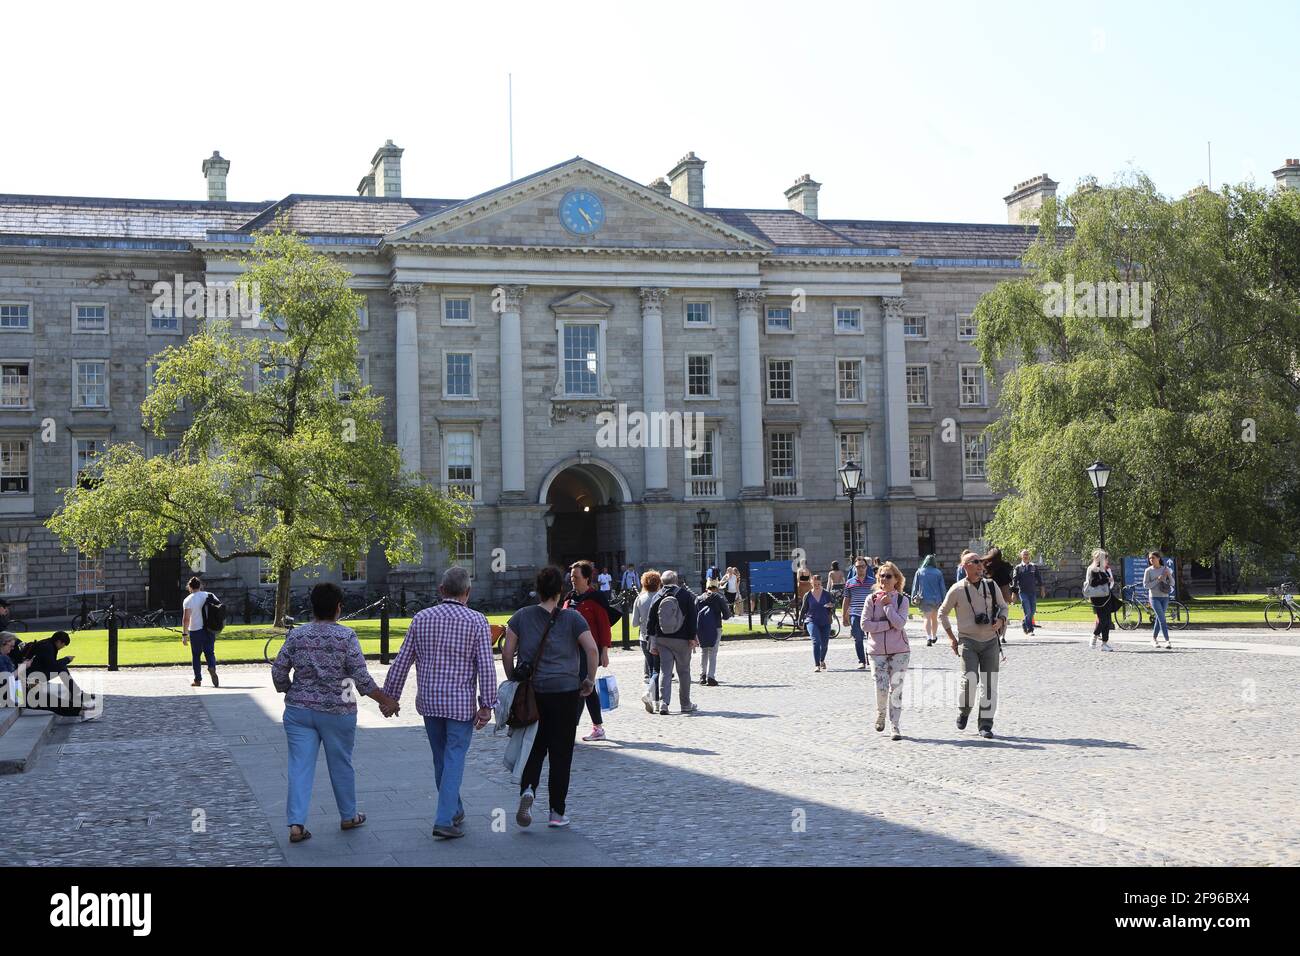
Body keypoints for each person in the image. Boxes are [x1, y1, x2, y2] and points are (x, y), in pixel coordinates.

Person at [271, 581, 399, 844]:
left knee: (299, 766)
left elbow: (278, 670)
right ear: (338, 608)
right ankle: (349, 815)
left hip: (299, 710)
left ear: (313, 607)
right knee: (341, 764)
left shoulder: (296, 635)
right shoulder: (346, 636)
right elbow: (361, 678)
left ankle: (296, 824)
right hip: (338, 710)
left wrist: (288, 689)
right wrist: (386, 700)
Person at [382, 567, 496, 840]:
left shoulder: (421, 618)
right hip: (459, 703)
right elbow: (486, 667)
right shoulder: (477, 621)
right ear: (467, 593)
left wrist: (390, 697)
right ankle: (445, 818)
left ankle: (454, 809)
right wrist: (487, 704)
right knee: (454, 758)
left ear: (441, 590)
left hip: (431, 701)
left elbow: (402, 661)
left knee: (441, 759)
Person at [503, 565, 598, 829]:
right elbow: (591, 649)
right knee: (561, 753)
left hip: (534, 691)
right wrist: (589, 679)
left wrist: (514, 679)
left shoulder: (521, 616)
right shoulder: (573, 618)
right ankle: (556, 812)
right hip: (566, 692)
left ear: (538, 589)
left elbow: (508, 651)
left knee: (534, 747)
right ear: (560, 590)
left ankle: (528, 791)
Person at [939, 551, 1009, 738]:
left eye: (981, 562)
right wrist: (951, 638)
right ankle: (964, 711)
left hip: (990, 641)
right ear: (965, 567)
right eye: (975, 562)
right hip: (968, 641)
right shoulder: (957, 589)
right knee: (969, 681)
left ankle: (985, 725)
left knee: (989, 684)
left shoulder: (991, 586)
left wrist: (1001, 620)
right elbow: (942, 613)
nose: (980, 565)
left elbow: (1004, 606)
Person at [564, 561, 615, 741]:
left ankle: (570, 728)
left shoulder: (596, 598)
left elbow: (604, 626)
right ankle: (598, 727)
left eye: (576, 577)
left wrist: (604, 651)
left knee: (579, 687)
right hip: (569, 651)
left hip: (588, 650)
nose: (573, 580)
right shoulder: (569, 598)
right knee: (587, 686)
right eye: (571, 577)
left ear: (586, 578)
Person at [862, 561, 911, 740]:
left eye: (888, 576)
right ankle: (881, 713)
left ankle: (895, 726)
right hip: (876, 651)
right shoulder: (871, 599)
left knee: (896, 689)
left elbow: (899, 624)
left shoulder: (902, 600)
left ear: (896, 579)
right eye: (881, 575)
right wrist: (886, 624)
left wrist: (889, 606)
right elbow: (864, 624)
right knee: (881, 687)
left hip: (899, 650)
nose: (884, 579)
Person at [645, 569, 698, 714]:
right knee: (684, 672)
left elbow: (651, 621)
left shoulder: (658, 595)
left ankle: (664, 703)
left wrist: (652, 641)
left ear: (662, 582)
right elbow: (693, 618)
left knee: (665, 672)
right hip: (682, 640)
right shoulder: (686, 595)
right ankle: (685, 704)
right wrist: (692, 637)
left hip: (663, 639)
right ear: (676, 581)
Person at [631, 569, 663, 712]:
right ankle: (649, 694)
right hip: (658, 638)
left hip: (643, 638)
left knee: (651, 669)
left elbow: (634, 623)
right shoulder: (661, 597)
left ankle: (655, 700)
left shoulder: (640, 598)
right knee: (657, 670)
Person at [181, 576, 219, 688]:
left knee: (196, 655)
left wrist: (184, 634)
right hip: (209, 629)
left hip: (195, 630)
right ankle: (211, 667)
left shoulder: (188, 600)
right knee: (210, 652)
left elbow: (186, 619)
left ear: (190, 587)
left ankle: (198, 680)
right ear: (200, 585)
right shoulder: (209, 595)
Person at [696, 580, 732, 686]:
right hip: (715, 626)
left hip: (701, 628)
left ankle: (702, 676)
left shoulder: (699, 598)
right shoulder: (718, 598)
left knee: (704, 651)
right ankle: (711, 677)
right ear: (716, 588)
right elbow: (726, 614)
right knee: (713, 652)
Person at [842, 556, 873, 670]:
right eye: (858, 567)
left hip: (870, 615)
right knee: (858, 639)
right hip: (855, 614)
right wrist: (844, 616)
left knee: (872, 638)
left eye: (862, 567)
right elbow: (846, 599)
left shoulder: (873, 582)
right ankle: (861, 661)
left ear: (866, 567)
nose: (860, 569)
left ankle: (870, 658)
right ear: (854, 568)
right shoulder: (850, 582)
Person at [802, 574, 836, 671]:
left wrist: (831, 605)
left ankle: (822, 660)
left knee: (824, 644)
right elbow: (804, 609)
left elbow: (834, 603)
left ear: (821, 583)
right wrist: (800, 621)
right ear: (811, 583)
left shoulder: (826, 594)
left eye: (818, 584)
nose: (816, 586)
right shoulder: (807, 595)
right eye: (815, 584)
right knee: (816, 642)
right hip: (811, 621)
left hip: (825, 621)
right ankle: (817, 665)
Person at [910, 554, 946, 646]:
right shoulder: (938, 572)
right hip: (936, 599)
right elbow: (942, 588)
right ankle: (934, 636)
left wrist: (913, 597)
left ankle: (928, 637)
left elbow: (915, 586)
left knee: (926, 618)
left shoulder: (919, 572)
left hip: (924, 598)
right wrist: (944, 599)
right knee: (934, 618)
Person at [1084, 549, 1116, 651]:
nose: (1106, 560)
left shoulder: (1104, 569)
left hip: (1106, 597)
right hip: (1098, 599)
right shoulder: (1093, 569)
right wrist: (1106, 580)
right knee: (1102, 620)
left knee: (1107, 621)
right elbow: (1093, 583)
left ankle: (1104, 643)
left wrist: (1109, 580)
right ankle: (1094, 636)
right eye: (1104, 558)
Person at [1144, 551, 1174, 649]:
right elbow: (1146, 585)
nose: (1151, 560)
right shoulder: (1148, 571)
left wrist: (1168, 574)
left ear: (1158, 558)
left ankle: (1154, 639)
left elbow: (1172, 583)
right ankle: (1167, 640)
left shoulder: (1165, 569)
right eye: (1150, 558)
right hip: (1154, 597)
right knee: (1162, 619)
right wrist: (1158, 579)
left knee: (1159, 618)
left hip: (1165, 597)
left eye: (1153, 558)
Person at [1010, 549, 1044, 636]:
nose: (1026, 556)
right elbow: (1014, 581)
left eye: (1027, 554)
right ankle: (1030, 629)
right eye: (1024, 554)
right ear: (1021, 556)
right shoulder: (1018, 568)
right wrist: (1014, 594)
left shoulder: (1034, 566)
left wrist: (1042, 589)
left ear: (1029, 556)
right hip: (1023, 592)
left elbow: (1039, 579)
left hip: (1032, 592)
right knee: (1028, 611)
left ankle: (1024, 622)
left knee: (1032, 611)